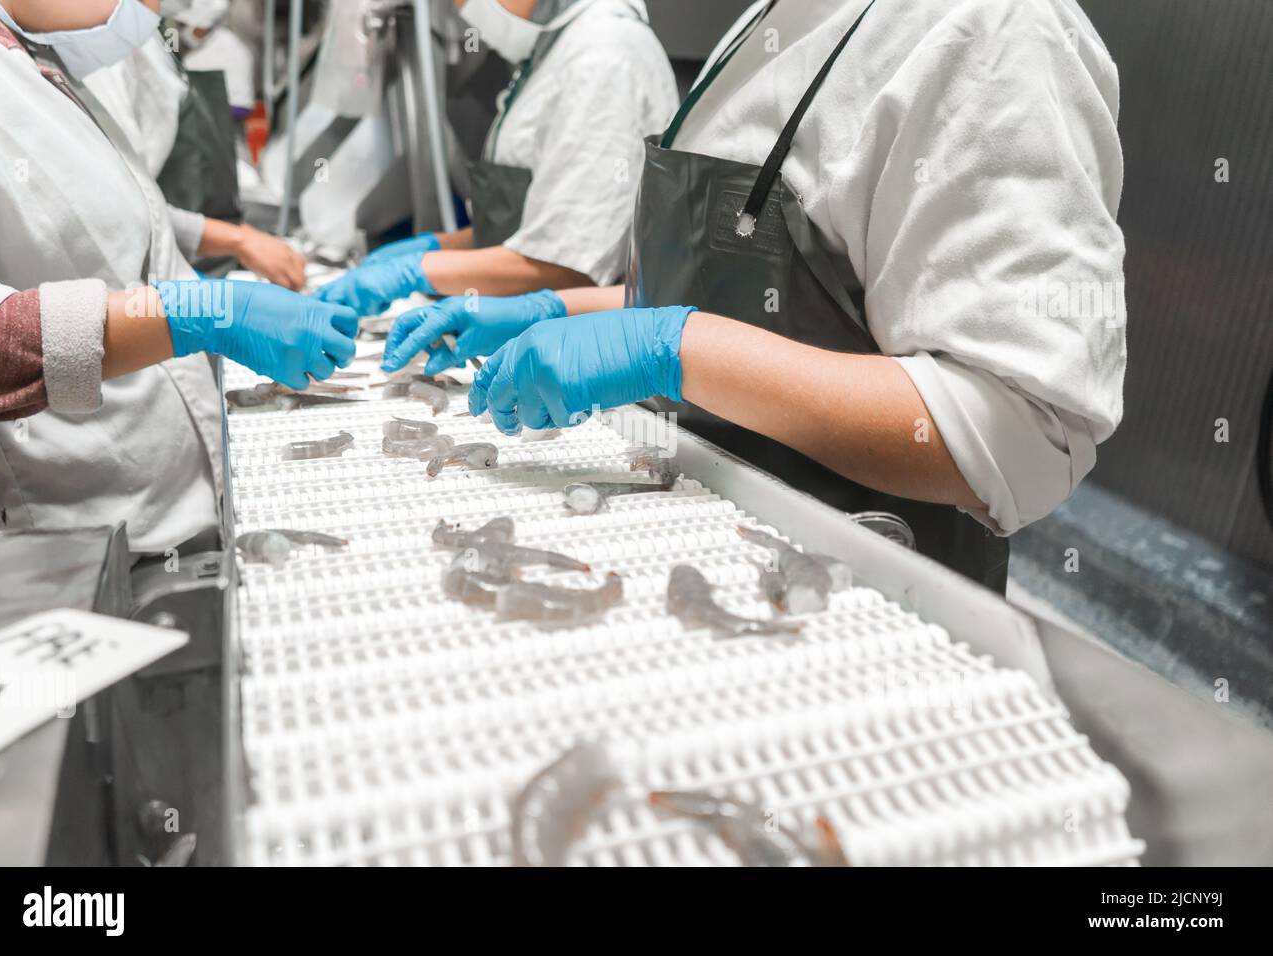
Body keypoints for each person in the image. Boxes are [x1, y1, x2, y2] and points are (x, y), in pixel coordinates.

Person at [385, 0, 1130, 593]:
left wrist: (670, 350)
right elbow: (724, 297)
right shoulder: (766, 24)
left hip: (852, 603)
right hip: (702, 553)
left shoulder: (997, 29)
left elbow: (1017, 433)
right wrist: (551, 311)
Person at [0, 0, 356, 553]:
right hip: (78, 535)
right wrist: (194, 314)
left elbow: (121, 211)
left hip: (174, 507)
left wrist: (222, 271)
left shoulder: (36, 59)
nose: (147, 7)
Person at [312, 0, 678, 316]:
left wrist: (415, 271)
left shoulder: (605, 55)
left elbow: (567, 265)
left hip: (583, 340)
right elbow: (537, 223)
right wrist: (436, 246)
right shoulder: (558, 49)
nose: (464, 9)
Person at [84, 23, 307, 289]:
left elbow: (138, 201)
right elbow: (117, 206)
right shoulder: (98, 54)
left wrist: (240, 239)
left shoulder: (149, 40)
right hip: (129, 281)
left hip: (173, 259)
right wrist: (238, 240)